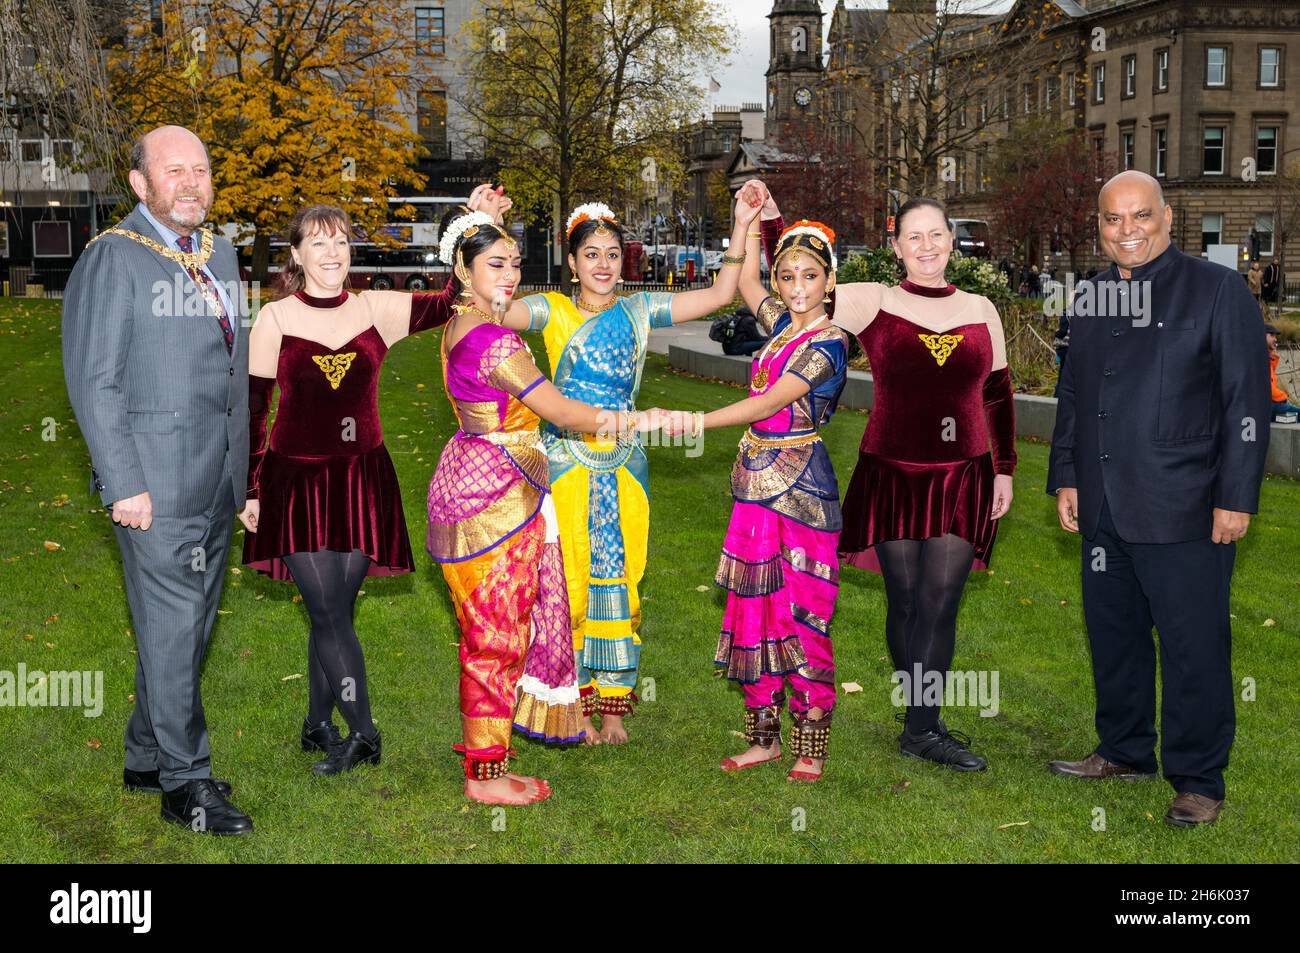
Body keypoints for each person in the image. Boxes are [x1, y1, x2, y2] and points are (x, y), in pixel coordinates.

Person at [238, 187, 504, 774]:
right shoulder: (274, 317)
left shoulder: (376, 308)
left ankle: (316, 725)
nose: (332, 251)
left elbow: (456, 299)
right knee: (328, 613)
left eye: (340, 240)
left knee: (334, 612)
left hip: (363, 480)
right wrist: (251, 488)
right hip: (295, 483)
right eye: (318, 241)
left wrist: (477, 222)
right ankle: (365, 733)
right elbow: (254, 412)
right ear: (297, 255)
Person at [490, 188, 760, 744]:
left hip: (626, 464)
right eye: (592, 254)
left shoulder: (639, 310)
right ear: (572, 263)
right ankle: (574, 706)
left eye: (613, 253)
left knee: (623, 579)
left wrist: (742, 222)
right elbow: (493, 305)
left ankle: (613, 707)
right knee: (569, 580)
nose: (604, 264)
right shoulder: (552, 311)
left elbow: (720, 294)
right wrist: (489, 232)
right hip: (566, 463)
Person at [1046, 170, 1270, 828]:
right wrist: (1067, 473)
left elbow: (1245, 403)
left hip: (1187, 506)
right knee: (1114, 635)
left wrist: (1236, 497)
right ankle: (1124, 749)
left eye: (1140, 216)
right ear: (1100, 226)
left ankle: (1199, 776)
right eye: (1113, 219)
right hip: (1103, 503)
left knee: (1192, 643)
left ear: (1168, 218)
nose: (1128, 230)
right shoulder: (1087, 296)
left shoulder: (1217, 290)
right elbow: (1073, 396)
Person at [761, 195, 1016, 772]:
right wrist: (772, 223)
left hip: (963, 474)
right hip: (893, 472)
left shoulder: (982, 309)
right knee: (904, 602)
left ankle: (923, 726)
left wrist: (1005, 469)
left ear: (952, 240)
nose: (927, 246)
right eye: (913, 237)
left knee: (938, 601)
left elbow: (997, 396)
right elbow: (797, 285)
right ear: (896, 246)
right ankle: (917, 715)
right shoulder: (873, 301)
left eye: (936, 235)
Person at [427, 209, 657, 804]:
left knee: (492, 631)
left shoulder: (460, 321)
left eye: (515, 264)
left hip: (477, 478)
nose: (510, 275)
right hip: (495, 496)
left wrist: (486, 219)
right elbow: (563, 413)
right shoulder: (493, 338)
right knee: (496, 639)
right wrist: (641, 419)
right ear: (463, 268)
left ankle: (492, 762)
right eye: (495, 265)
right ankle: (486, 779)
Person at [62, 125, 252, 835]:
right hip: (152, 484)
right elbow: (96, 382)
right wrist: (123, 482)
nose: (191, 183)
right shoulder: (113, 259)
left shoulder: (222, 254)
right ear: (140, 184)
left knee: (187, 631)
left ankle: (146, 755)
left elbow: (232, 376)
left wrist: (245, 477)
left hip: (214, 480)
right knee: (175, 627)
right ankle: (186, 781)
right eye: (174, 171)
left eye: (201, 170)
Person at [657, 198, 849, 782]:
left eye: (809, 277)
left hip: (803, 492)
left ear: (830, 281)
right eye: (787, 276)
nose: (795, 287)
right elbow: (742, 281)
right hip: (753, 489)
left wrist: (695, 422)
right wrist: (745, 222)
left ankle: (810, 743)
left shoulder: (829, 342)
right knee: (752, 608)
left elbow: (770, 403)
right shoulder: (781, 326)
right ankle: (763, 737)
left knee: (802, 611)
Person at [1266, 323, 1300, 421]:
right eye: (1271, 335)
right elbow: (1269, 390)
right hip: (1267, 406)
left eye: (1275, 336)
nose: (1275, 339)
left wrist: (1273, 359)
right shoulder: (1258, 357)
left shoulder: (1264, 356)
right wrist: (1283, 396)